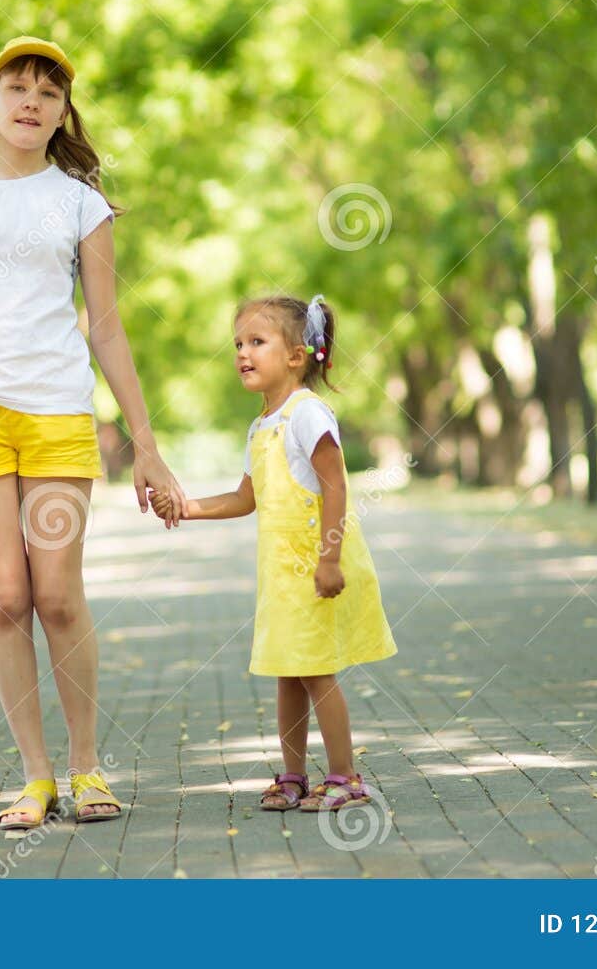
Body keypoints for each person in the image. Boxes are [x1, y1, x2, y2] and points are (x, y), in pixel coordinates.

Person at [0, 35, 184, 830]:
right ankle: (35, 777)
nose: (31, 101)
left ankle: (88, 766)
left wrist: (147, 440)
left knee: (56, 596)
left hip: (59, 408)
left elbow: (108, 327)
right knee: (4, 596)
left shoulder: (81, 202)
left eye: (49, 93)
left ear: (63, 115)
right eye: (17, 86)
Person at [151, 294, 396, 812]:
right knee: (289, 669)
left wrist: (329, 559)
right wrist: (185, 506)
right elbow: (246, 498)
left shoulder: (308, 414)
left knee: (315, 670)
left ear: (295, 355)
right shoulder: (262, 425)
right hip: (281, 575)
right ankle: (294, 774)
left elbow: (336, 486)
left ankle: (346, 776)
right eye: (238, 343)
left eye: (257, 342)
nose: (243, 352)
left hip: (314, 564)